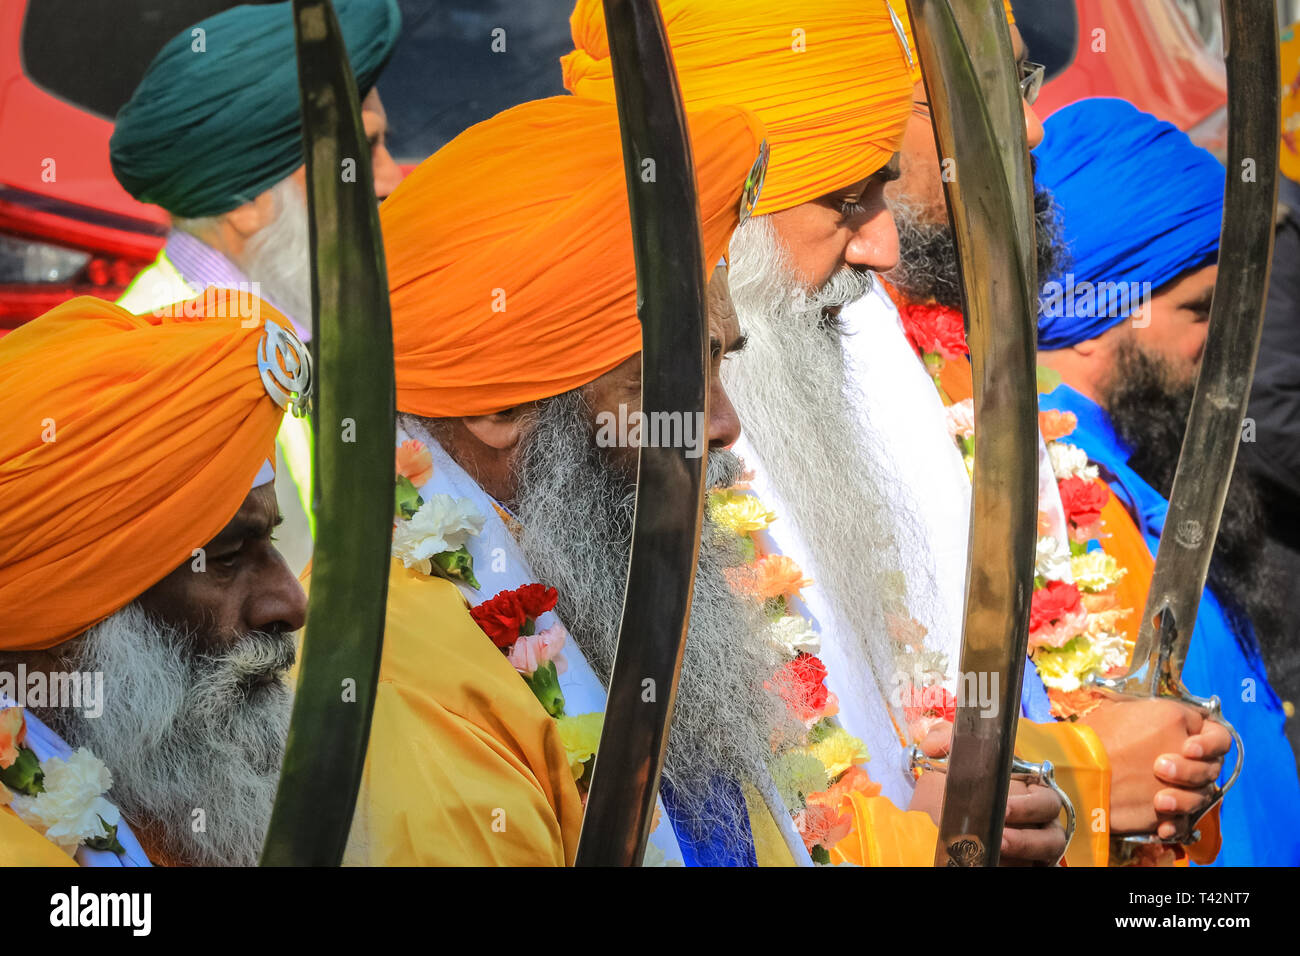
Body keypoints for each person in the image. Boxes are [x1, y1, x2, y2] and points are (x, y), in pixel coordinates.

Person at [563, 0, 1229, 865]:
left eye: (878, 186)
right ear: (732, 197)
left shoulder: (908, 343)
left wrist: (1115, 763)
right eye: (846, 198)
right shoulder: (611, 444)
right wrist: (1076, 782)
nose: (880, 248)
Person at [351, 92, 1066, 866]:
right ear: (499, 408)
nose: (725, 425)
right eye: (674, 381)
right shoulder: (412, 685)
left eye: (721, 362)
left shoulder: (614, 587)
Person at [1034, 96, 1300, 866]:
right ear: (1090, 314)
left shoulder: (1144, 457)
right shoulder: (1041, 499)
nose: (1226, 341)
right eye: (1201, 308)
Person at [0, 291, 308, 866]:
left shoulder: (154, 790)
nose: (289, 601)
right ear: (75, 618)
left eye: (269, 544)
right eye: (226, 559)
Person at [108, 0, 405, 567]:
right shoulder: (154, 374)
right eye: (364, 152)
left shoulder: (304, 322)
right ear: (248, 202)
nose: (391, 178)